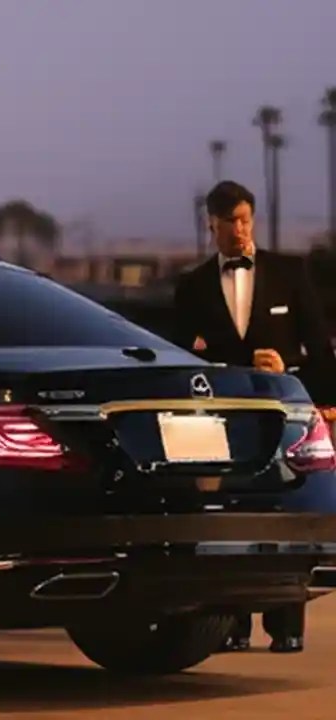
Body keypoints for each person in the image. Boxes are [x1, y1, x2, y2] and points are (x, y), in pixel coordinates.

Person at [173, 180, 336, 654]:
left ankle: (287, 626)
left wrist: (292, 369)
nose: (241, 231)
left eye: (247, 220)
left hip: (283, 415)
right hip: (221, 423)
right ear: (212, 226)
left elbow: (322, 353)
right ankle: (233, 626)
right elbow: (182, 356)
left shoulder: (289, 273)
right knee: (230, 520)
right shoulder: (194, 286)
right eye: (231, 224)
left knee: (285, 512)